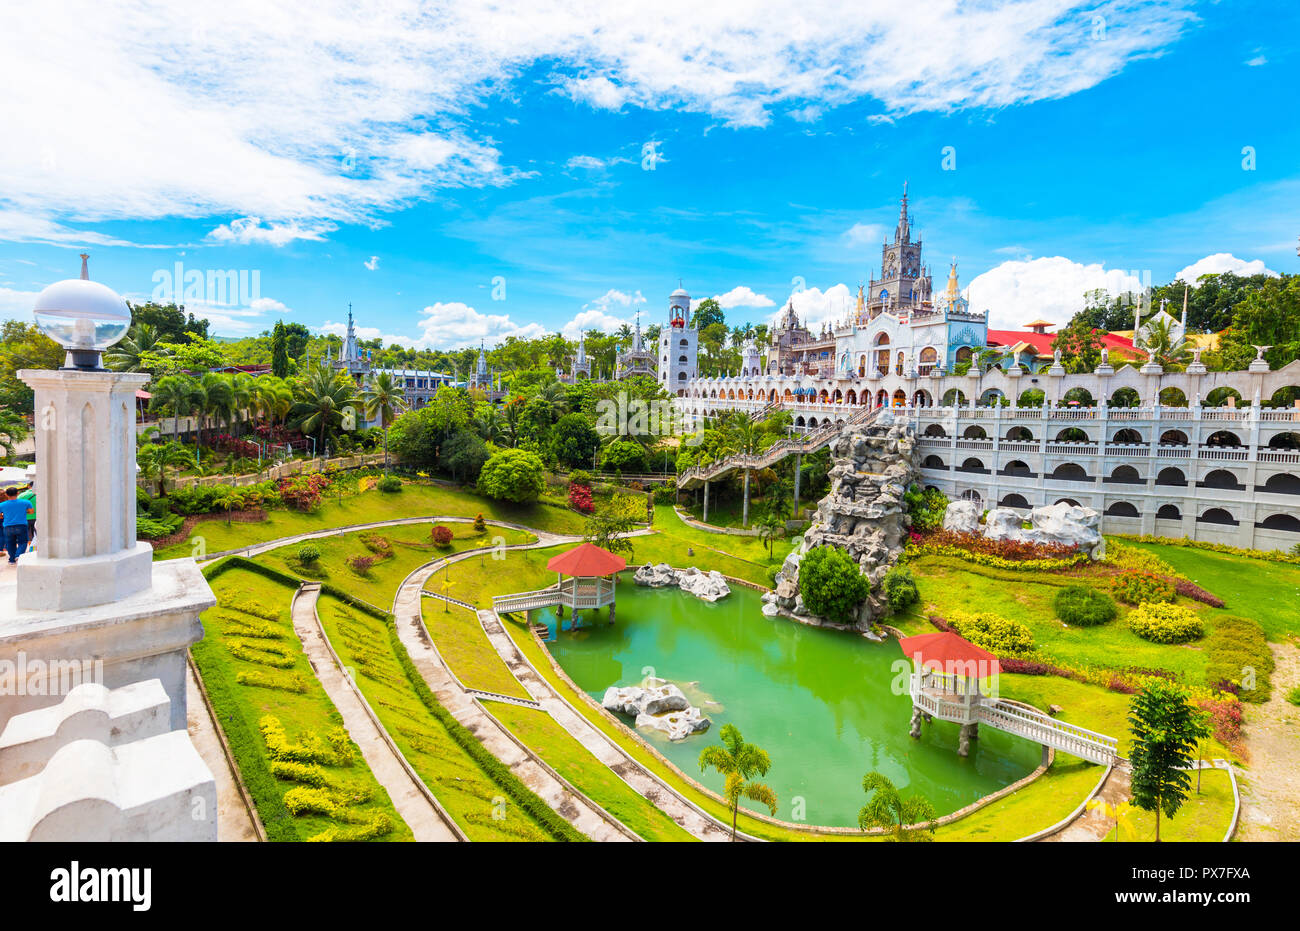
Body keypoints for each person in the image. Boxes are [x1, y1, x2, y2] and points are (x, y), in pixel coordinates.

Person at [1, 486, 35, 564]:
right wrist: (23, 512)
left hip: (7, 526)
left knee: (10, 543)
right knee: (23, 542)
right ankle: (18, 555)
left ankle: (12, 560)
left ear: (6, 494)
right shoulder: (26, 502)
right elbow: (31, 511)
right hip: (21, 525)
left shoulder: (2, 505)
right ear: (17, 493)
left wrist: (4, 515)